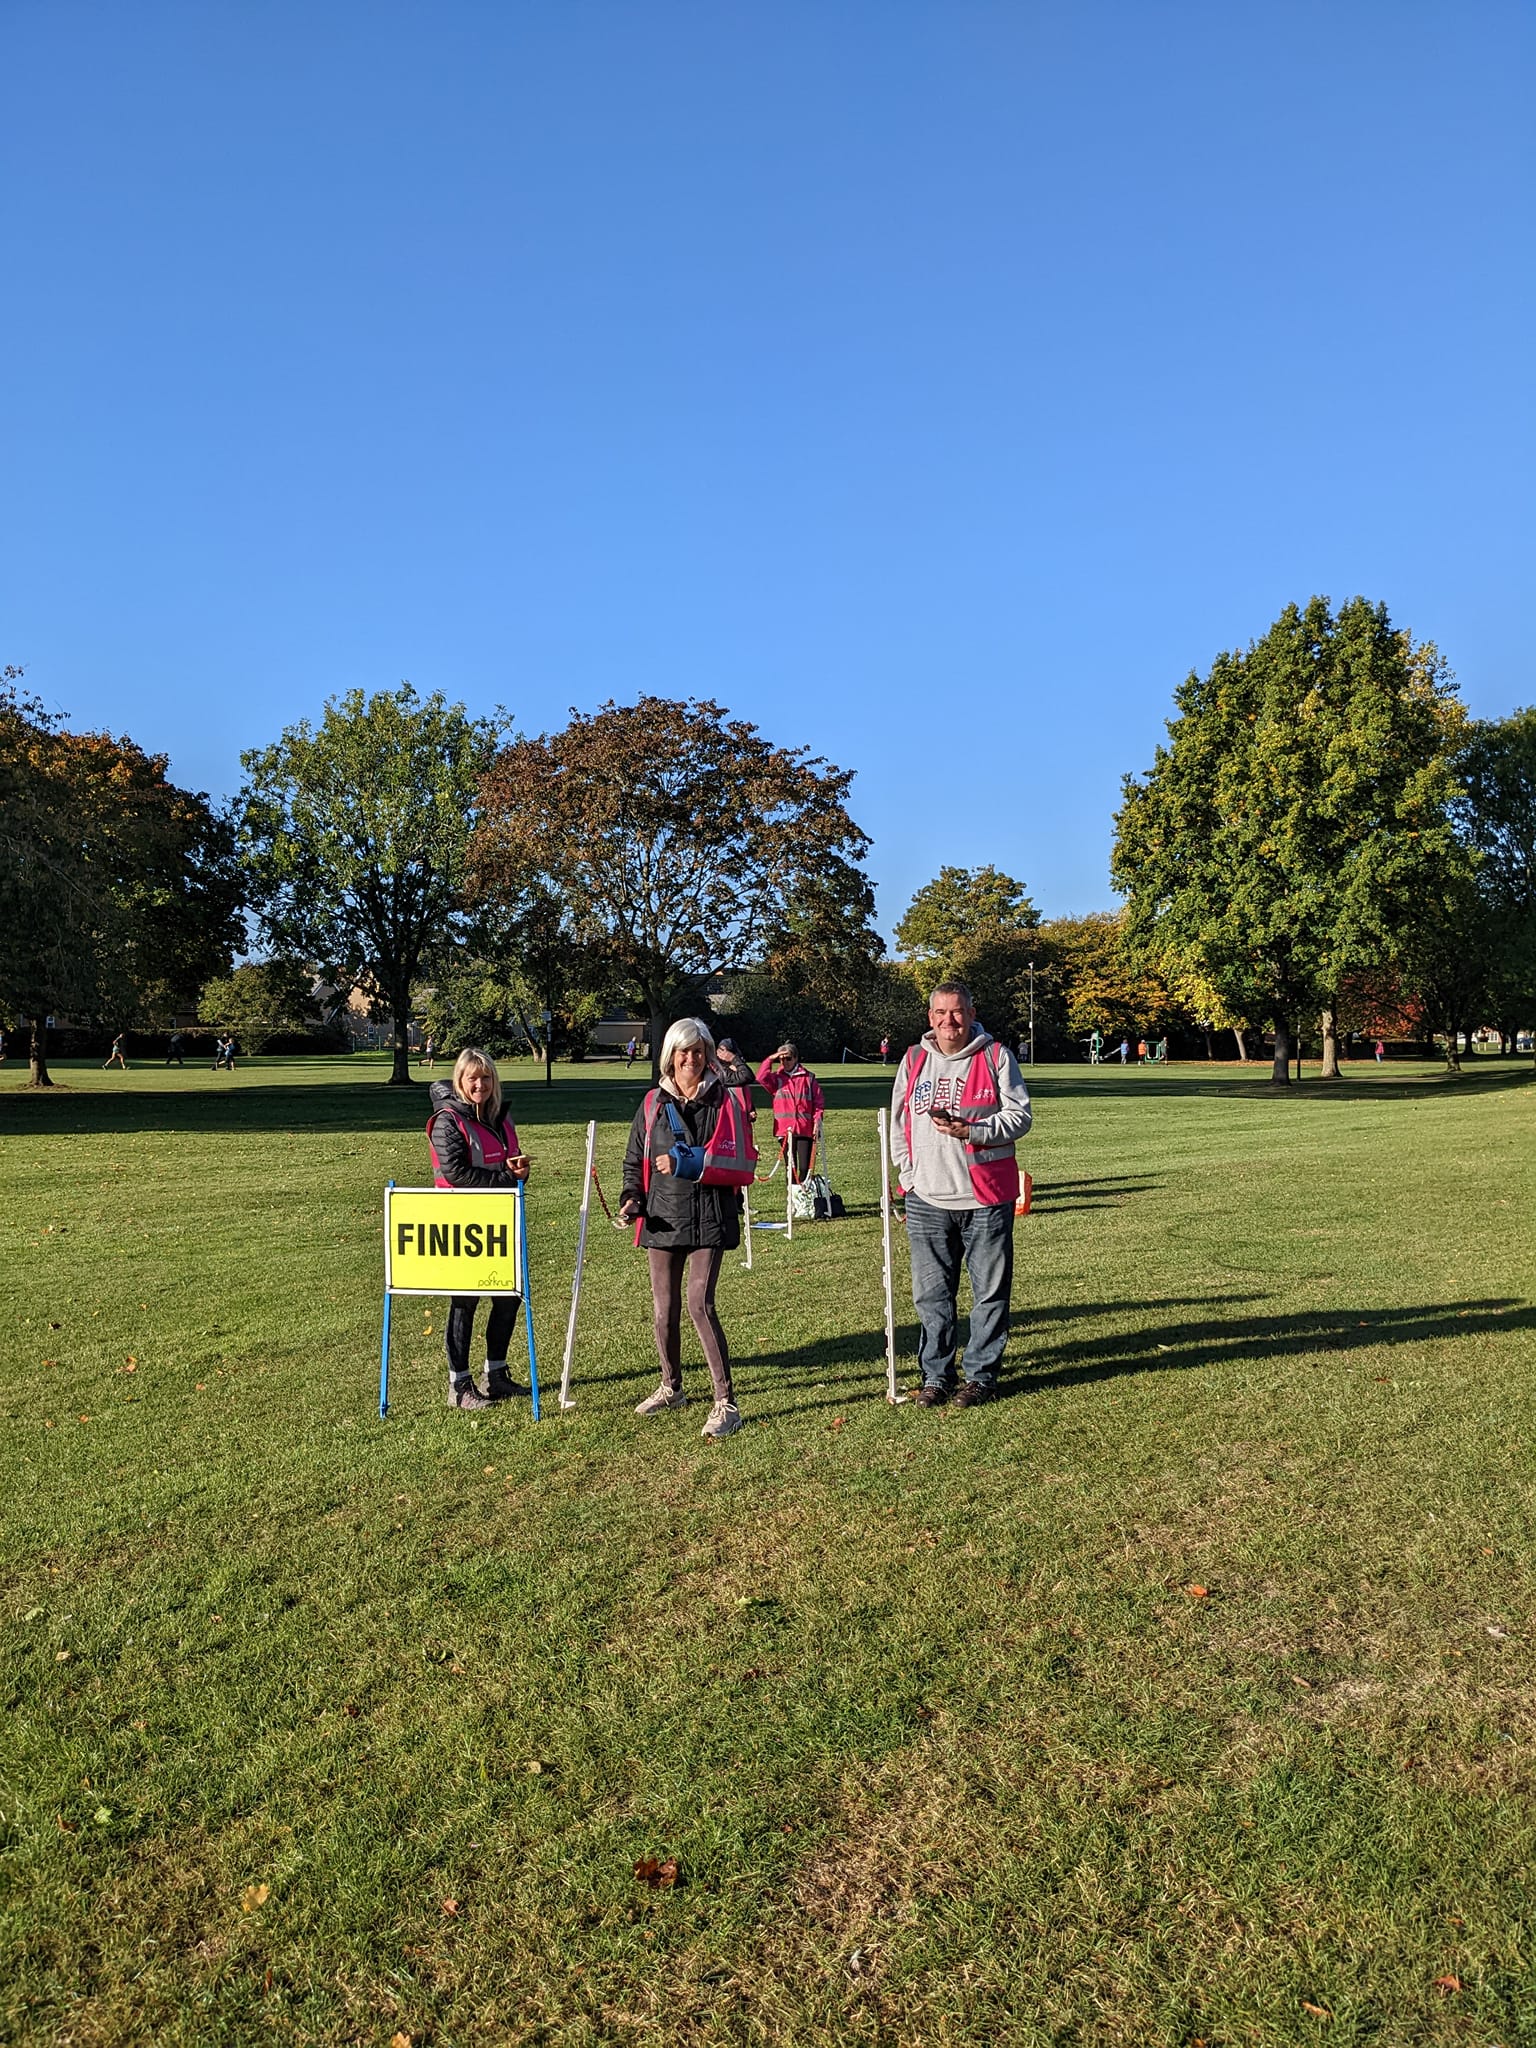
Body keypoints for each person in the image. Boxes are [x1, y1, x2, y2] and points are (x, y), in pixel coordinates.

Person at [890, 980, 1031, 1408]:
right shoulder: (914, 1060)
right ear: (929, 1017)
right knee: (931, 1296)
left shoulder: (995, 1056)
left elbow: (1020, 1117)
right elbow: (897, 1122)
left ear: (971, 1014)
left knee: (989, 1294)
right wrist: (909, 1176)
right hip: (927, 1199)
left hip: (985, 1198)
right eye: (940, 1013)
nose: (949, 1021)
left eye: (957, 1012)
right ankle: (936, 1376)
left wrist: (974, 1131)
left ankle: (981, 1377)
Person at [619, 1017, 750, 1442]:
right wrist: (632, 1199)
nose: (691, 1059)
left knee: (699, 1305)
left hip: (710, 1214)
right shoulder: (652, 1103)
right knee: (663, 1310)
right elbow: (634, 1158)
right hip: (662, 1216)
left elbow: (739, 1161)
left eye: (698, 1051)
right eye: (683, 1052)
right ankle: (671, 1387)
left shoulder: (724, 1101)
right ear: (670, 1056)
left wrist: (686, 1163)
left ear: (708, 1054)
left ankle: (725, 1402)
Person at [427, 1046, 531, 1411]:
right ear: (460, 1079)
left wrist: (520, 1172)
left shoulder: (501, 1117)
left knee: (507, 1298)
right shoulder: (447, 1120)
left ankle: (496, 1375)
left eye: (486, 1077)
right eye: (472, 1077)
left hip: (501, 1220)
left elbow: (510, 1160)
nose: (480, 1084)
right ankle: (459, 1385)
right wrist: (505, 1177)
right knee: (465, 1303)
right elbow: (456, 1173)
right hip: (462, 1224)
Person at [754, 1041, 824, 1183]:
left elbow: (818, 1103)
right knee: (790, 1167)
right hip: (785, 1130)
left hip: (805, 1128)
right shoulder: (776, 1079)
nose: (784, 1062)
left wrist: (818, 1121)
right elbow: (761, 1077)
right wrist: (771, 1059)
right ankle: (792, 1198)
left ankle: (804, 1196)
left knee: (805, 1167)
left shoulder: (808, 1078)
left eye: (788, 1058)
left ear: (796, 1058)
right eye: (781, 1059)